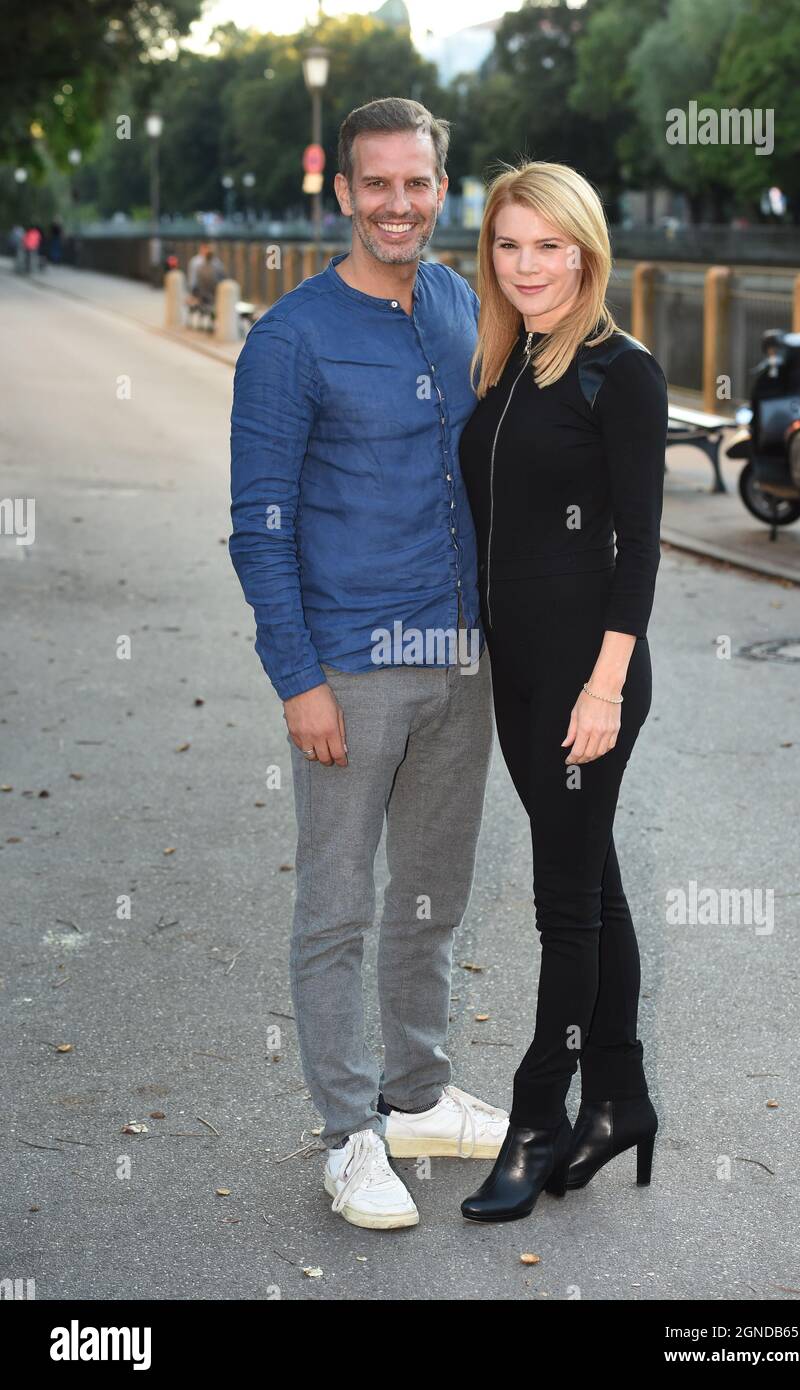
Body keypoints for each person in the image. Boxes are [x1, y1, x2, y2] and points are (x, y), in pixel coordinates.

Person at [228, 97, 508, 1232]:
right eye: (376, 183)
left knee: (432, 897)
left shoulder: (463, 303)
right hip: (349, 664)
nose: (399, 203)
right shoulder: (289, 337)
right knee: (338, 908)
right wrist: (298, 679)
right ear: (342, 194)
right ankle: (348, 1134)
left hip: (463, 661)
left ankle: (417, 1095)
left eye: (419, 182)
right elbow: (260, 524)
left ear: (444, 187)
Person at [457, 161, 668, 1222]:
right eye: (509, 244)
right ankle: (620, 1098)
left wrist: (603, 689)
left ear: (585, 250)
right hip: (521, 676)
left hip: (589, 681)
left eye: (550, 245)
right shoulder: (506, 360)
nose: (529, 265)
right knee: (595, 885)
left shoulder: (615, 371)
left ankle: (538, 1118)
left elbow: (638, 548)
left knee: (563, 910)